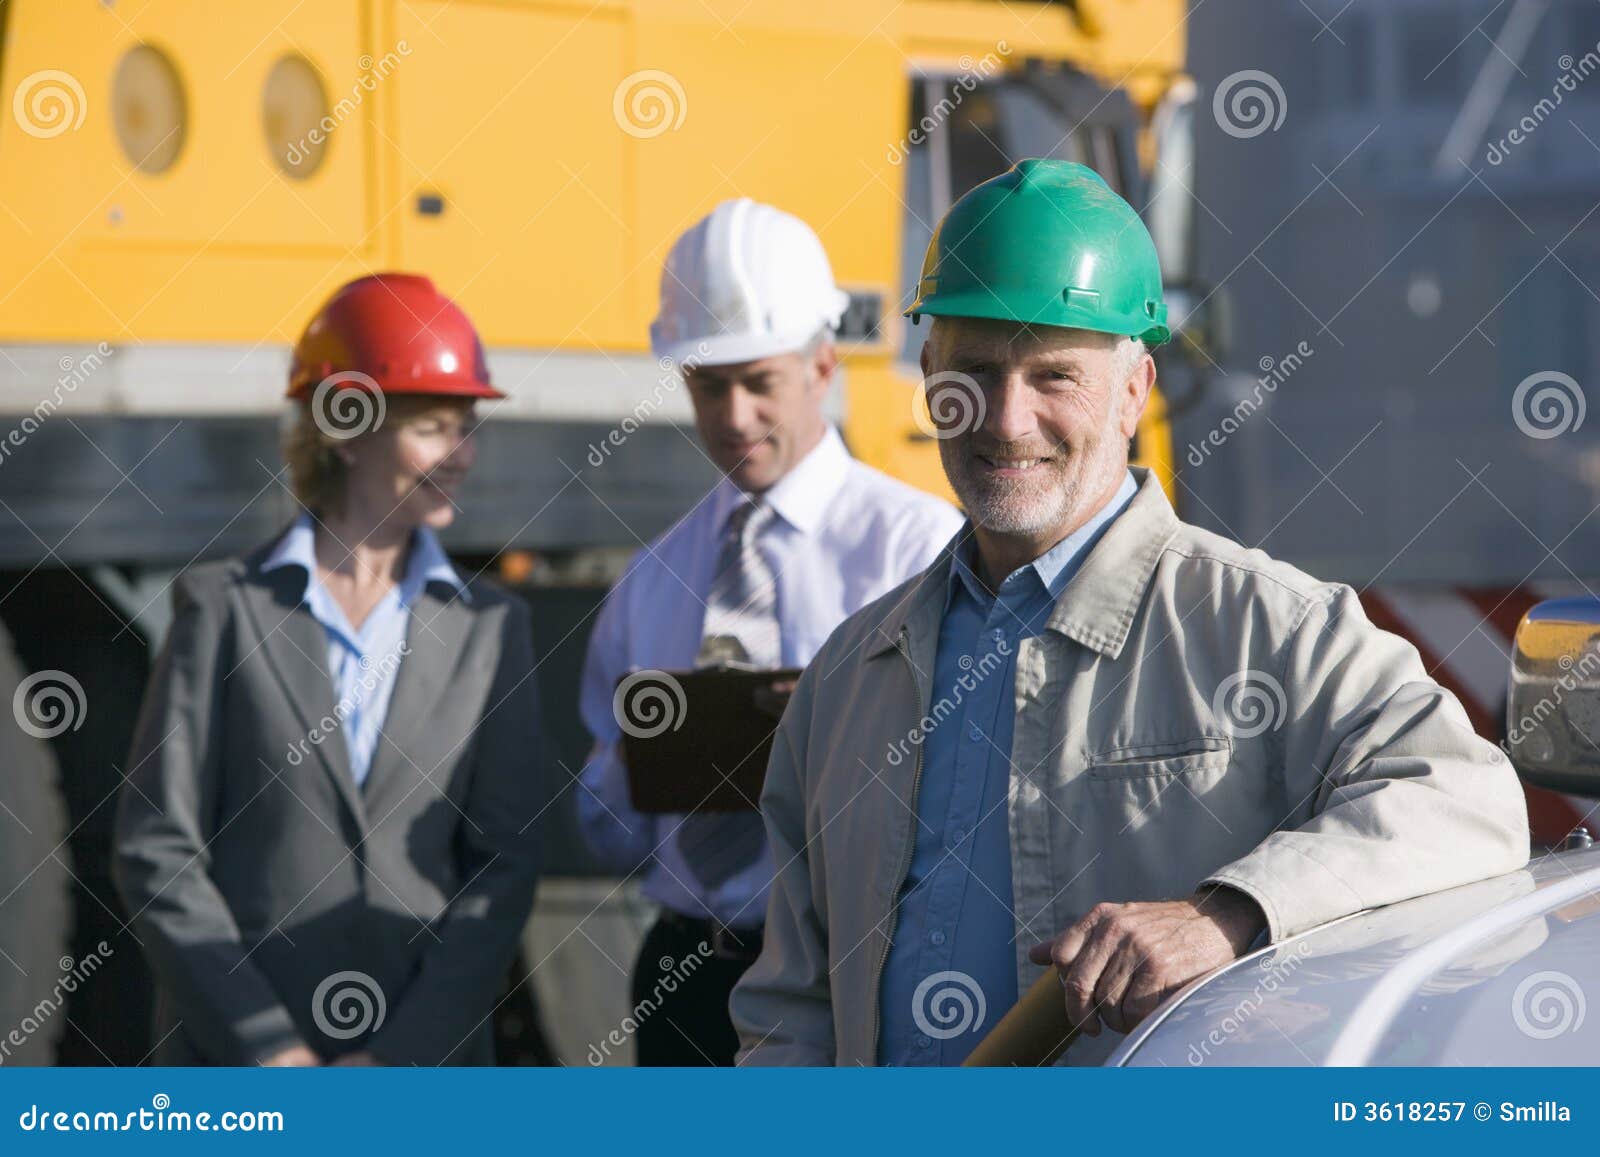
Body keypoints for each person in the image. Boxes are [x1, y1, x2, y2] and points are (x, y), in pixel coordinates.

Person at [730, 159, 1531, 1066]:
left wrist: (1228, 915)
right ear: (928, 373)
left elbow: (1470, 800)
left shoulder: (1269, 628)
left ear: (1135, 391)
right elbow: (789, 1010)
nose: (1007, 418)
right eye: (977, 371)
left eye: (1054, 376)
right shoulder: (849, 676)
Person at [114, 273, 544, 1066]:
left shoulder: (493, 629)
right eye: (435, 428)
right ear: (346, 428)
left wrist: (397, 1060)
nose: (463, 454)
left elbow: (508, 862)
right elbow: (157, 848)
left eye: (468, 426)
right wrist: (270, 1050)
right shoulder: (220, 609)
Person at [577, 198, 963, 1065]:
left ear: (823, 366)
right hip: (687, 976)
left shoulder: (918, 549)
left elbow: (968, 790)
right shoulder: (652, 581)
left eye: (760, 382)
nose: (734, 416)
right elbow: (604, 827)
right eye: (709, 386)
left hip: (850, 979)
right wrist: (643, 763)